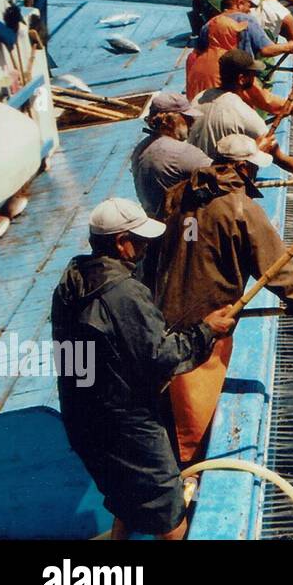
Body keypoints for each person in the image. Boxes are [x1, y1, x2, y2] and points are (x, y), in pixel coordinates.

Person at [51, 198, 236, 539]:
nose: (145, 246)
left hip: (81, 418)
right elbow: (162, 357)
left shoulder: (71, 280)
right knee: (167, 511)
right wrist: (207, 330)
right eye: (140, 240)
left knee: (126, 496)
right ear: (122, 243)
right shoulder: (123, 292)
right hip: (124, 426)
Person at [154, 134, 293, 463]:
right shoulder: (242, 209)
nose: (254, 175)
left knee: (164, 397)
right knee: (193, 420)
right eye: (252, 168)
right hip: (204, 326)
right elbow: (276, 271)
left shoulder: (178, 193)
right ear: (240, 168)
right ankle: (188, 472)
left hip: (159, 315)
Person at [188, 49, 293, 188]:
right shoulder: (246, 114)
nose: (256, 77)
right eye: (253, 74)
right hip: (220, 183)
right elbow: (280, 159)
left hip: (194, 178)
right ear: (241, 78)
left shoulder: (199, 98)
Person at [185, 0, 293, 101]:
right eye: (248, 6)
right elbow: (266, 50)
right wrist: (291, 46)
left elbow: (199, 51)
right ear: (240, 3)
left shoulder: (209, 23)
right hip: (237, 76)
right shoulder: (246, 20)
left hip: (210, 75)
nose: (249, 10)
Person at [131, 92, 211, 217]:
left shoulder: (139, 149)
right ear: (172, 120)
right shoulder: (182, 152)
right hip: (183, 226)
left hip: (155, 223)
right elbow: (222, 175)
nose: (192, 122)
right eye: (187, 117)